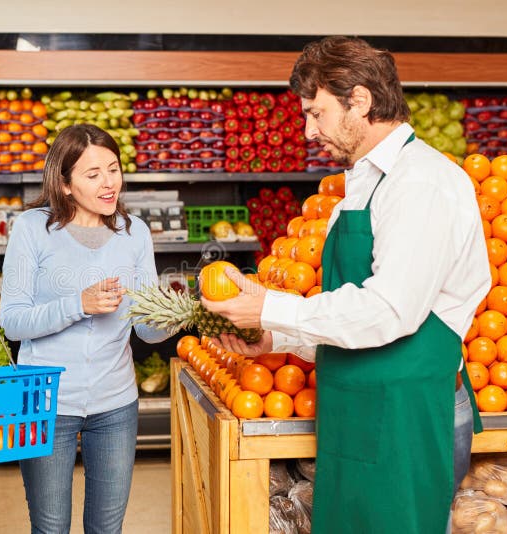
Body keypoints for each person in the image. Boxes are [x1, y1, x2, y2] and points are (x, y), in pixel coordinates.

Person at [201, 36, 490, 533]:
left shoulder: (420, 182)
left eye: (317, 113)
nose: (309, 131)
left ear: (360, 100)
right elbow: (351, 313)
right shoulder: (364, 183)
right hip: (360, 409)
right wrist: (280, 339)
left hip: (407, 417)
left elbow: (389, 311)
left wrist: (272, 308)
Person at [0, 123, 170, 534]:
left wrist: (174, 316)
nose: (108, 183)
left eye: (113, 169)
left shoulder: (134, 233)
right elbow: (13, 320)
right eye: (93, 175)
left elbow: (146, 331)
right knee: (51, 527)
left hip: (115, 404)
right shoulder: (32, 229)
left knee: (107, 528)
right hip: (46, 404)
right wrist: (78, 305)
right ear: (65, 182)